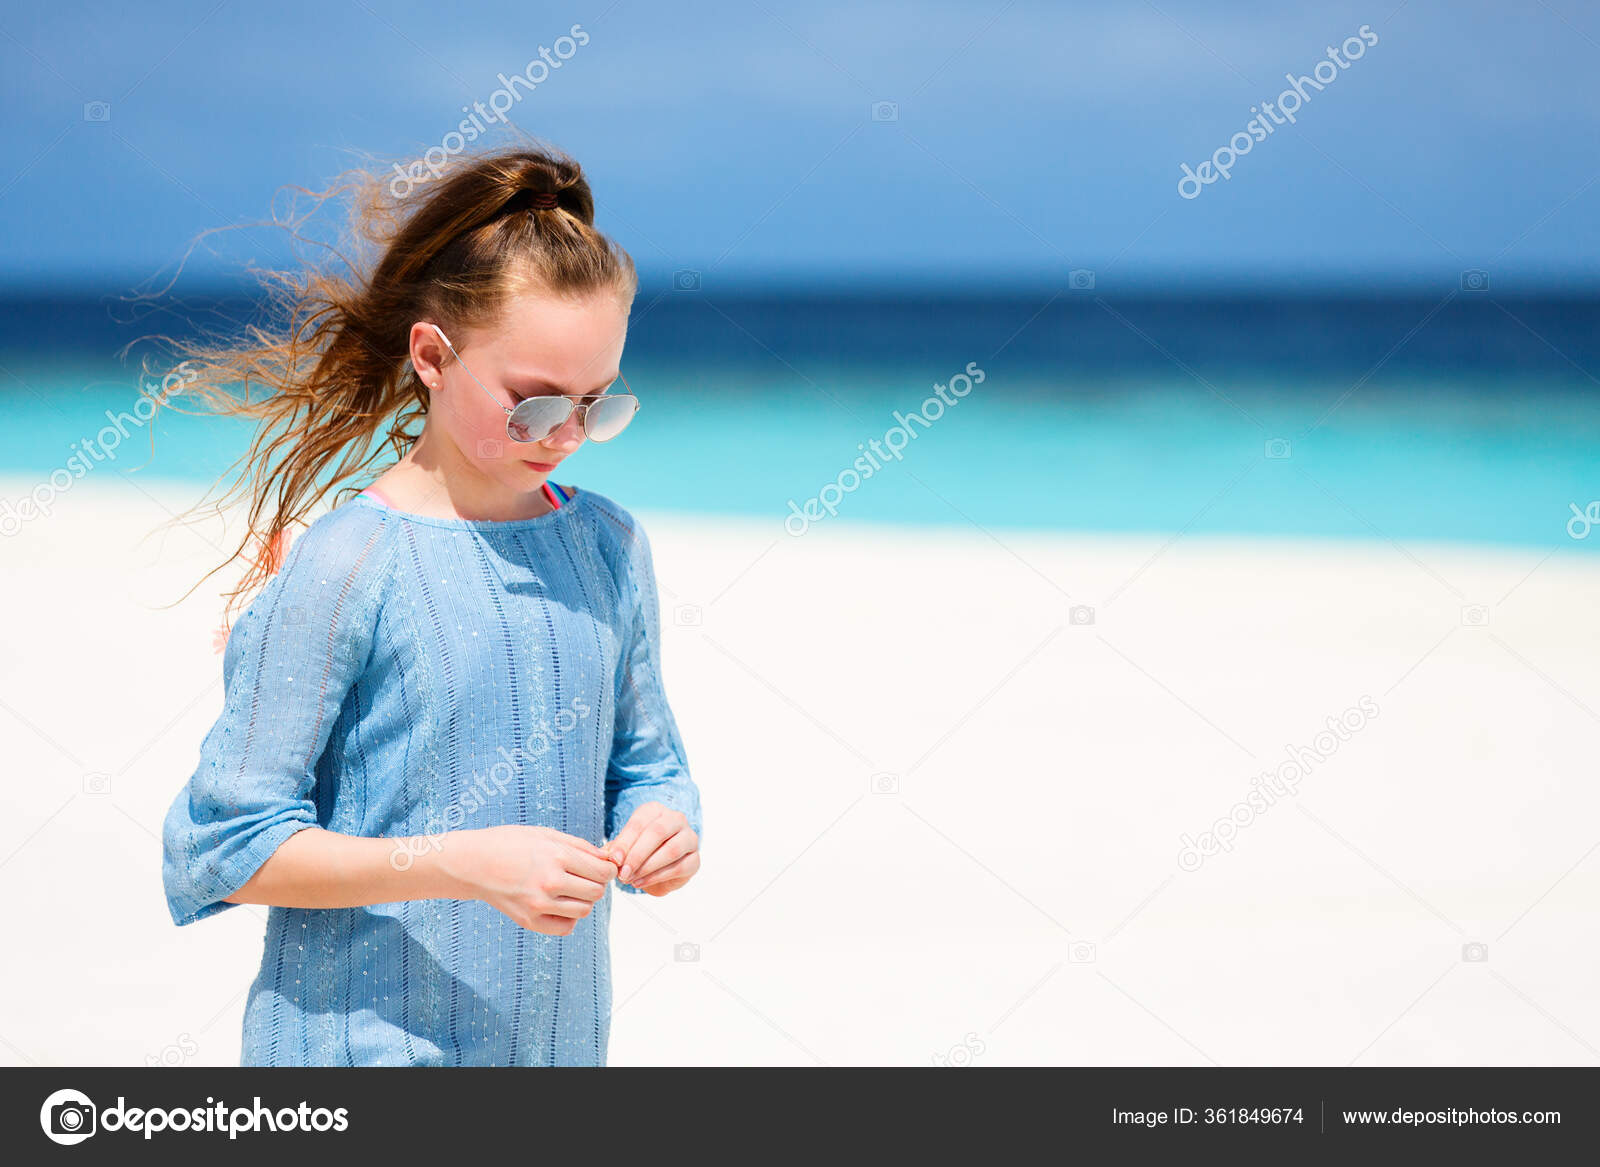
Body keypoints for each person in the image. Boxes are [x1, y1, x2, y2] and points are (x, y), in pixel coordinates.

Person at [157, 141, 703, 1066]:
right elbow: (224, 848)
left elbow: (649, 768)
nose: (567, 436)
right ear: (432, 356)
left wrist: (666, 828)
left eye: (598, 403)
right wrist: (460, 863)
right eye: (532, 405)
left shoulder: (608, 546)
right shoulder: (343, 565)